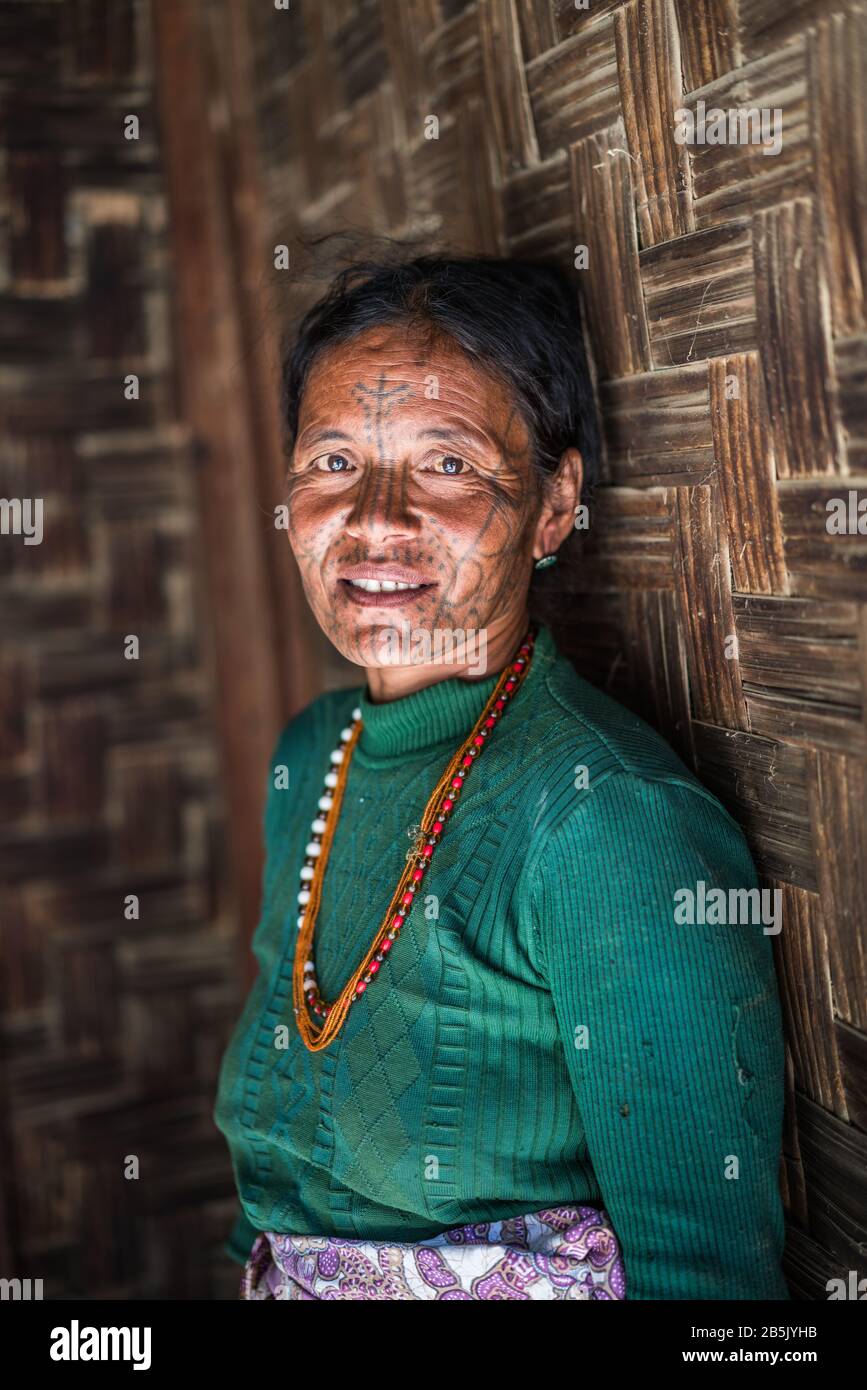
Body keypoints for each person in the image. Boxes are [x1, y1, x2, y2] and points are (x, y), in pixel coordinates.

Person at [213, 254, 790, 1300]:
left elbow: (706, 1281)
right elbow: (277, 1193)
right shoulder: (312, 758)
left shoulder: (600, 817)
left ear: (553, 505)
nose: (375, 517)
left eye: (446, 464)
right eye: (334, 460)